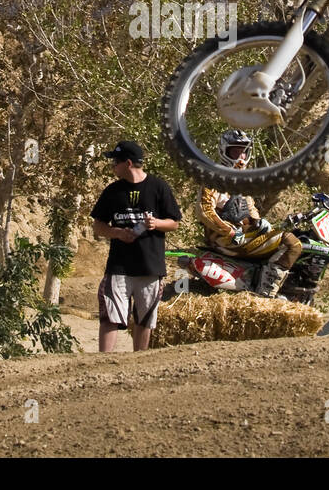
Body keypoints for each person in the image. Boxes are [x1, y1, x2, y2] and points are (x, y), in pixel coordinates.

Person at [90, 139, 182, 351]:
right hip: (119, 267)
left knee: (143, 320)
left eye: (115, 161)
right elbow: (98, 226)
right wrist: (117, 233)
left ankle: (138, 364)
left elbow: (174, 223)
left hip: (149, 267)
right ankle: (102, 364)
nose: (113, 165)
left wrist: (156, 223)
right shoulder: (112, 191)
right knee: (110, 316)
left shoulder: (159, 187)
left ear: (128, 163)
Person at [196, 130, 303, 298]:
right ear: (224, 151)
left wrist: (259, 222)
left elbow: (249, 206)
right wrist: (229, 231)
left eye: (244, 151)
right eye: (235, 151)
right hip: (226, 241)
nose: (241, 156)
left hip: (243, 237)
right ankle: (266, 294)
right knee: (291, 243)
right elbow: (204, 211)